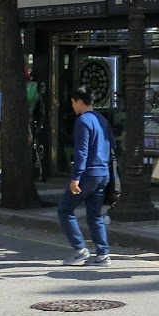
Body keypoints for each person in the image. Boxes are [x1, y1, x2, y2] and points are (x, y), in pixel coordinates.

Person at [58, 87, 112, 266]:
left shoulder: (82, 121)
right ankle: (103, 253)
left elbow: (81, 151)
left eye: (73, 102)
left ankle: (80, 249)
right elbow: (112, 145)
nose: (73, 106)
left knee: (65, 210)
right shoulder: (102, 119)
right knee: (95, 215)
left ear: (79, 101)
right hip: (103, 172)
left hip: (88, 173)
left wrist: (75, 178)